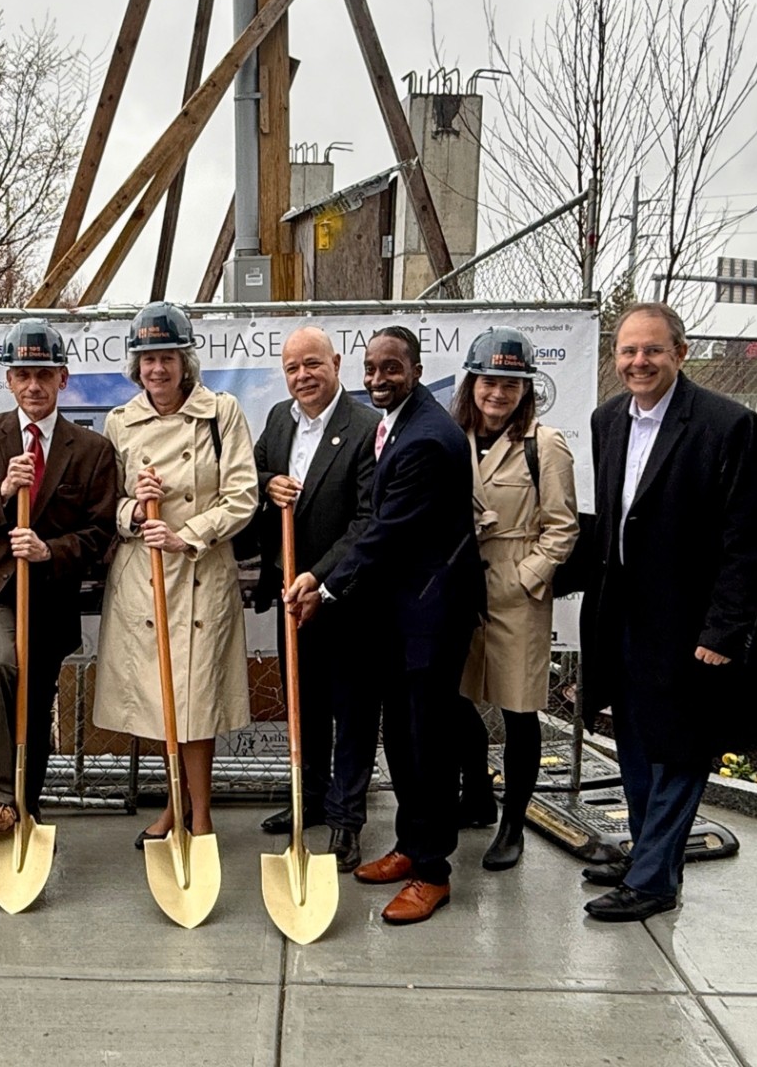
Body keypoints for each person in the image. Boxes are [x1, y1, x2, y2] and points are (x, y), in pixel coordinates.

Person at [576, 302, 757, 921]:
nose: (640, 362)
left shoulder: (728, 425)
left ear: (679, 353)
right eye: (629, 351)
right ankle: (649, 856)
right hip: (625, 620)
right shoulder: (607, 419)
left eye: (653, 350)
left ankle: (655, 879)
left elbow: (750, 538)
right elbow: (608, 522)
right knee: (634, 742)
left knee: (682, 750)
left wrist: (723, 630)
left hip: (692, 627)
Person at [286, 325, 482, 926]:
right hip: (401, 618)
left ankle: (433, 872)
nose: (377, 379)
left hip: (429, 617)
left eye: (390, 369)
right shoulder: (399, 422)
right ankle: (408, 846)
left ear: (416, 369)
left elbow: (385, 532)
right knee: (401, 738)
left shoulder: (426, 438)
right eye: (371, 368)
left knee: (426, 745)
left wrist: (326, 585)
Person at [95, 301, 258, 848]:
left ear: (186, 361)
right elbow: (106, 507)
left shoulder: (222, 413)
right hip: (143, 577)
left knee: (196, 700)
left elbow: (243, 495)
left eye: (166, 357)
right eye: (147, 359)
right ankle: (171, 804)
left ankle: (201, 813)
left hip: (201, 571)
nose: (157, 369)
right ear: (135, 366)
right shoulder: (121, 422)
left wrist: (186, 534)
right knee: (164, 701)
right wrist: (138, 514)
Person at [0, 319, 118, 834]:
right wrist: (1, 492)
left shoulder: (90, 450)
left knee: (37, 693)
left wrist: (49, 551)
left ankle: (28, 804)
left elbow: (101, 532)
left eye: (44, 374)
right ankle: (2, 796)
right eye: (23, 374)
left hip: (50, 596)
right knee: (0, 667)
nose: (34, 385)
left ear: (63, 378)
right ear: (9, 380)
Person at [238, 325, 378, 872]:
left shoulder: (365, 428)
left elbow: (367, 520)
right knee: (305, 703)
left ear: (336, 363)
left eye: (313, 364)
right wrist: (270, 479)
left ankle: (347, 818)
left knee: (353, 709)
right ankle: (312, 799)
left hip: (343, 595)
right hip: (290, 593)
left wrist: (319, 578)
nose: (303, 376)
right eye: (293, 367)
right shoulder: (279, 419)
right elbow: (251, 473)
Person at [449, 327, 580, 872]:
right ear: (472, 383)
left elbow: (563, 525)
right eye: (488, 381)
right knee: (456, 700)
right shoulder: (454, 437)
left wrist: (529, 576)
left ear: (525, 388)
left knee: (519, 712)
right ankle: (477, 792)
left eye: (510, 383)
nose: (497, 393)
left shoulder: (542, 444)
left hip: (515, 591)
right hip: (462, 587)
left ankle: (512, 824)